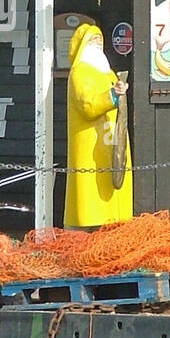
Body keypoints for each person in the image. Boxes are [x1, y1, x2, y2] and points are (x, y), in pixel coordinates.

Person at [64, 23, 133, 229]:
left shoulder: (109, 73)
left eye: (100, 41)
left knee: (113, 189)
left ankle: (114, 220)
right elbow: (88, 105)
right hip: (90, 146)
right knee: (91, 194)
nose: (97, 45)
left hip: (111, 140)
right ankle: (89, 225)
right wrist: (113, 96)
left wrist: (120, 90)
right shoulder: (80, 73)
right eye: (92, 41)